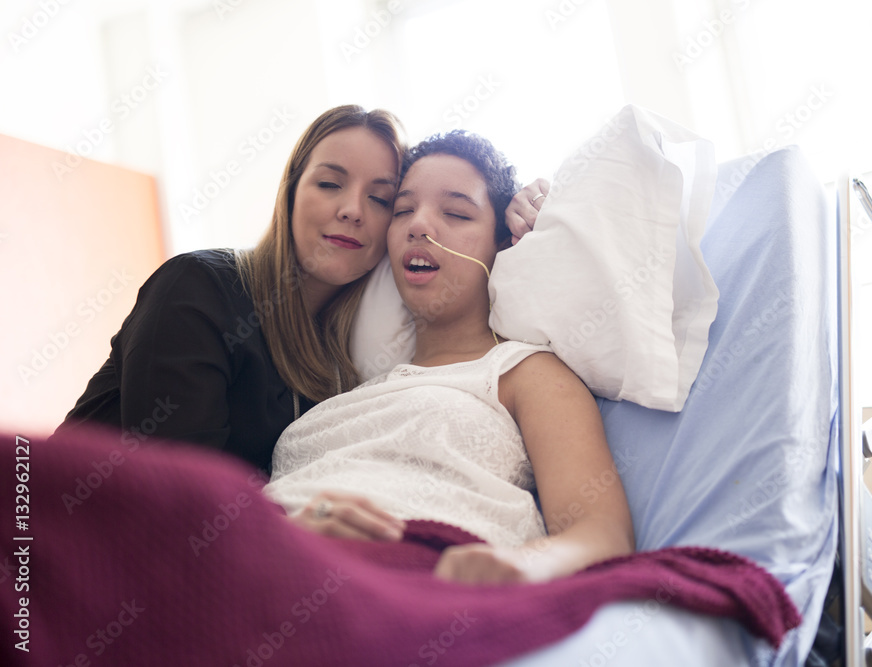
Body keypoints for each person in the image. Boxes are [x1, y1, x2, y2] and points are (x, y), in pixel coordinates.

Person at [55, 105, 549, 474]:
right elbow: (181, 490)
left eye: (381, 199)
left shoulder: (351, 360)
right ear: (291, 193)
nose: (352, 210)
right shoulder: (200, 289)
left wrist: (522, 211)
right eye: (330, 184)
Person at [265, 131, 634, 585]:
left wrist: (523, 566)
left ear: (500, 245)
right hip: (270, 563)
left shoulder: (522, 372)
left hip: (415, 572)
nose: (418, 225)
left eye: (457, 213)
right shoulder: (349, 390)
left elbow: (602, 534)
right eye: (402, 211)